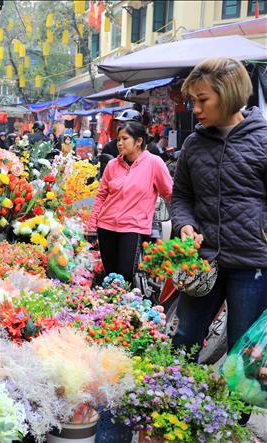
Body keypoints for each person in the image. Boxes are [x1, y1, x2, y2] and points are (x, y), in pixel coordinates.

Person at [170, 57, 267, 359]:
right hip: (204, 260)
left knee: (243, 352)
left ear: (228, 95)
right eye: (193, 100)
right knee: (183, 337)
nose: (195, 109)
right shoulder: (193, 145)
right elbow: (181, 196)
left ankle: (234, 409)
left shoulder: (263, 139)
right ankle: (171, 400)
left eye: (202, 100)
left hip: (252, 264)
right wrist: (184, 225)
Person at [88, 120, 173, 284]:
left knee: (125, 276)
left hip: (134, 228)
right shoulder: (113, 165)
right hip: (106, 226)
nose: (119, 143)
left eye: (124, 139)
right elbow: (101, 196)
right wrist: (93, 224)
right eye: (118, 139)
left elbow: (169, 193)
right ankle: (111, 309)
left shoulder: (154, 163)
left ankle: (128, 308)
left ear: (139, 141)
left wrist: (181, 223)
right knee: (109, 277)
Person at [99, 109, 143, 177]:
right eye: (120, 123)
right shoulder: (110, 147)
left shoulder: (152, 157)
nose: (121, 126)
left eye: (125, 123)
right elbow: (104, 177)